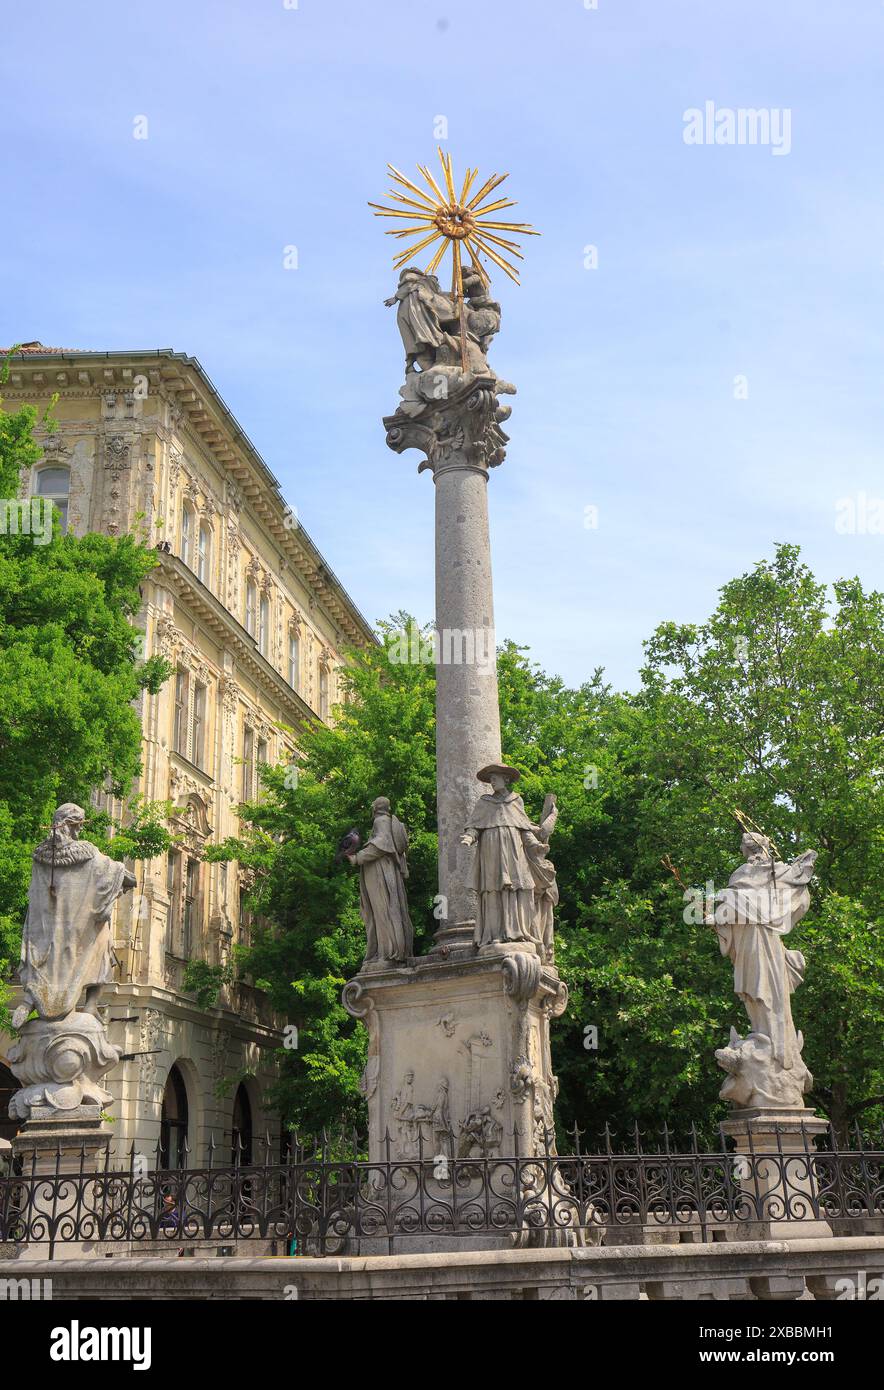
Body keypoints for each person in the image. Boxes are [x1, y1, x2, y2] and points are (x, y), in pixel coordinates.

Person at [14, 803, 136, 1027]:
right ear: (69, 825)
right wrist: (122, 875)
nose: (79, 831)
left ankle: (30, 999)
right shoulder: (86, 853)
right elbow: (124, 876)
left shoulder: (39, 856)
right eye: (78, 826)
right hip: (77, 933)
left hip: (43, 929)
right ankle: (91, 1003)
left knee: (41, 956)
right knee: (103, 935)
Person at [348, 797, 413, 965]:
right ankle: (385, 952)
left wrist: (357, 858)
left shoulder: (381, 821)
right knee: (386, 909)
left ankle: (387, 953)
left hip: (380, 871)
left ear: (375, 808)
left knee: (382, 910)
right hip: (385, 870)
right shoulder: (391, 821)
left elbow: (380, 845)